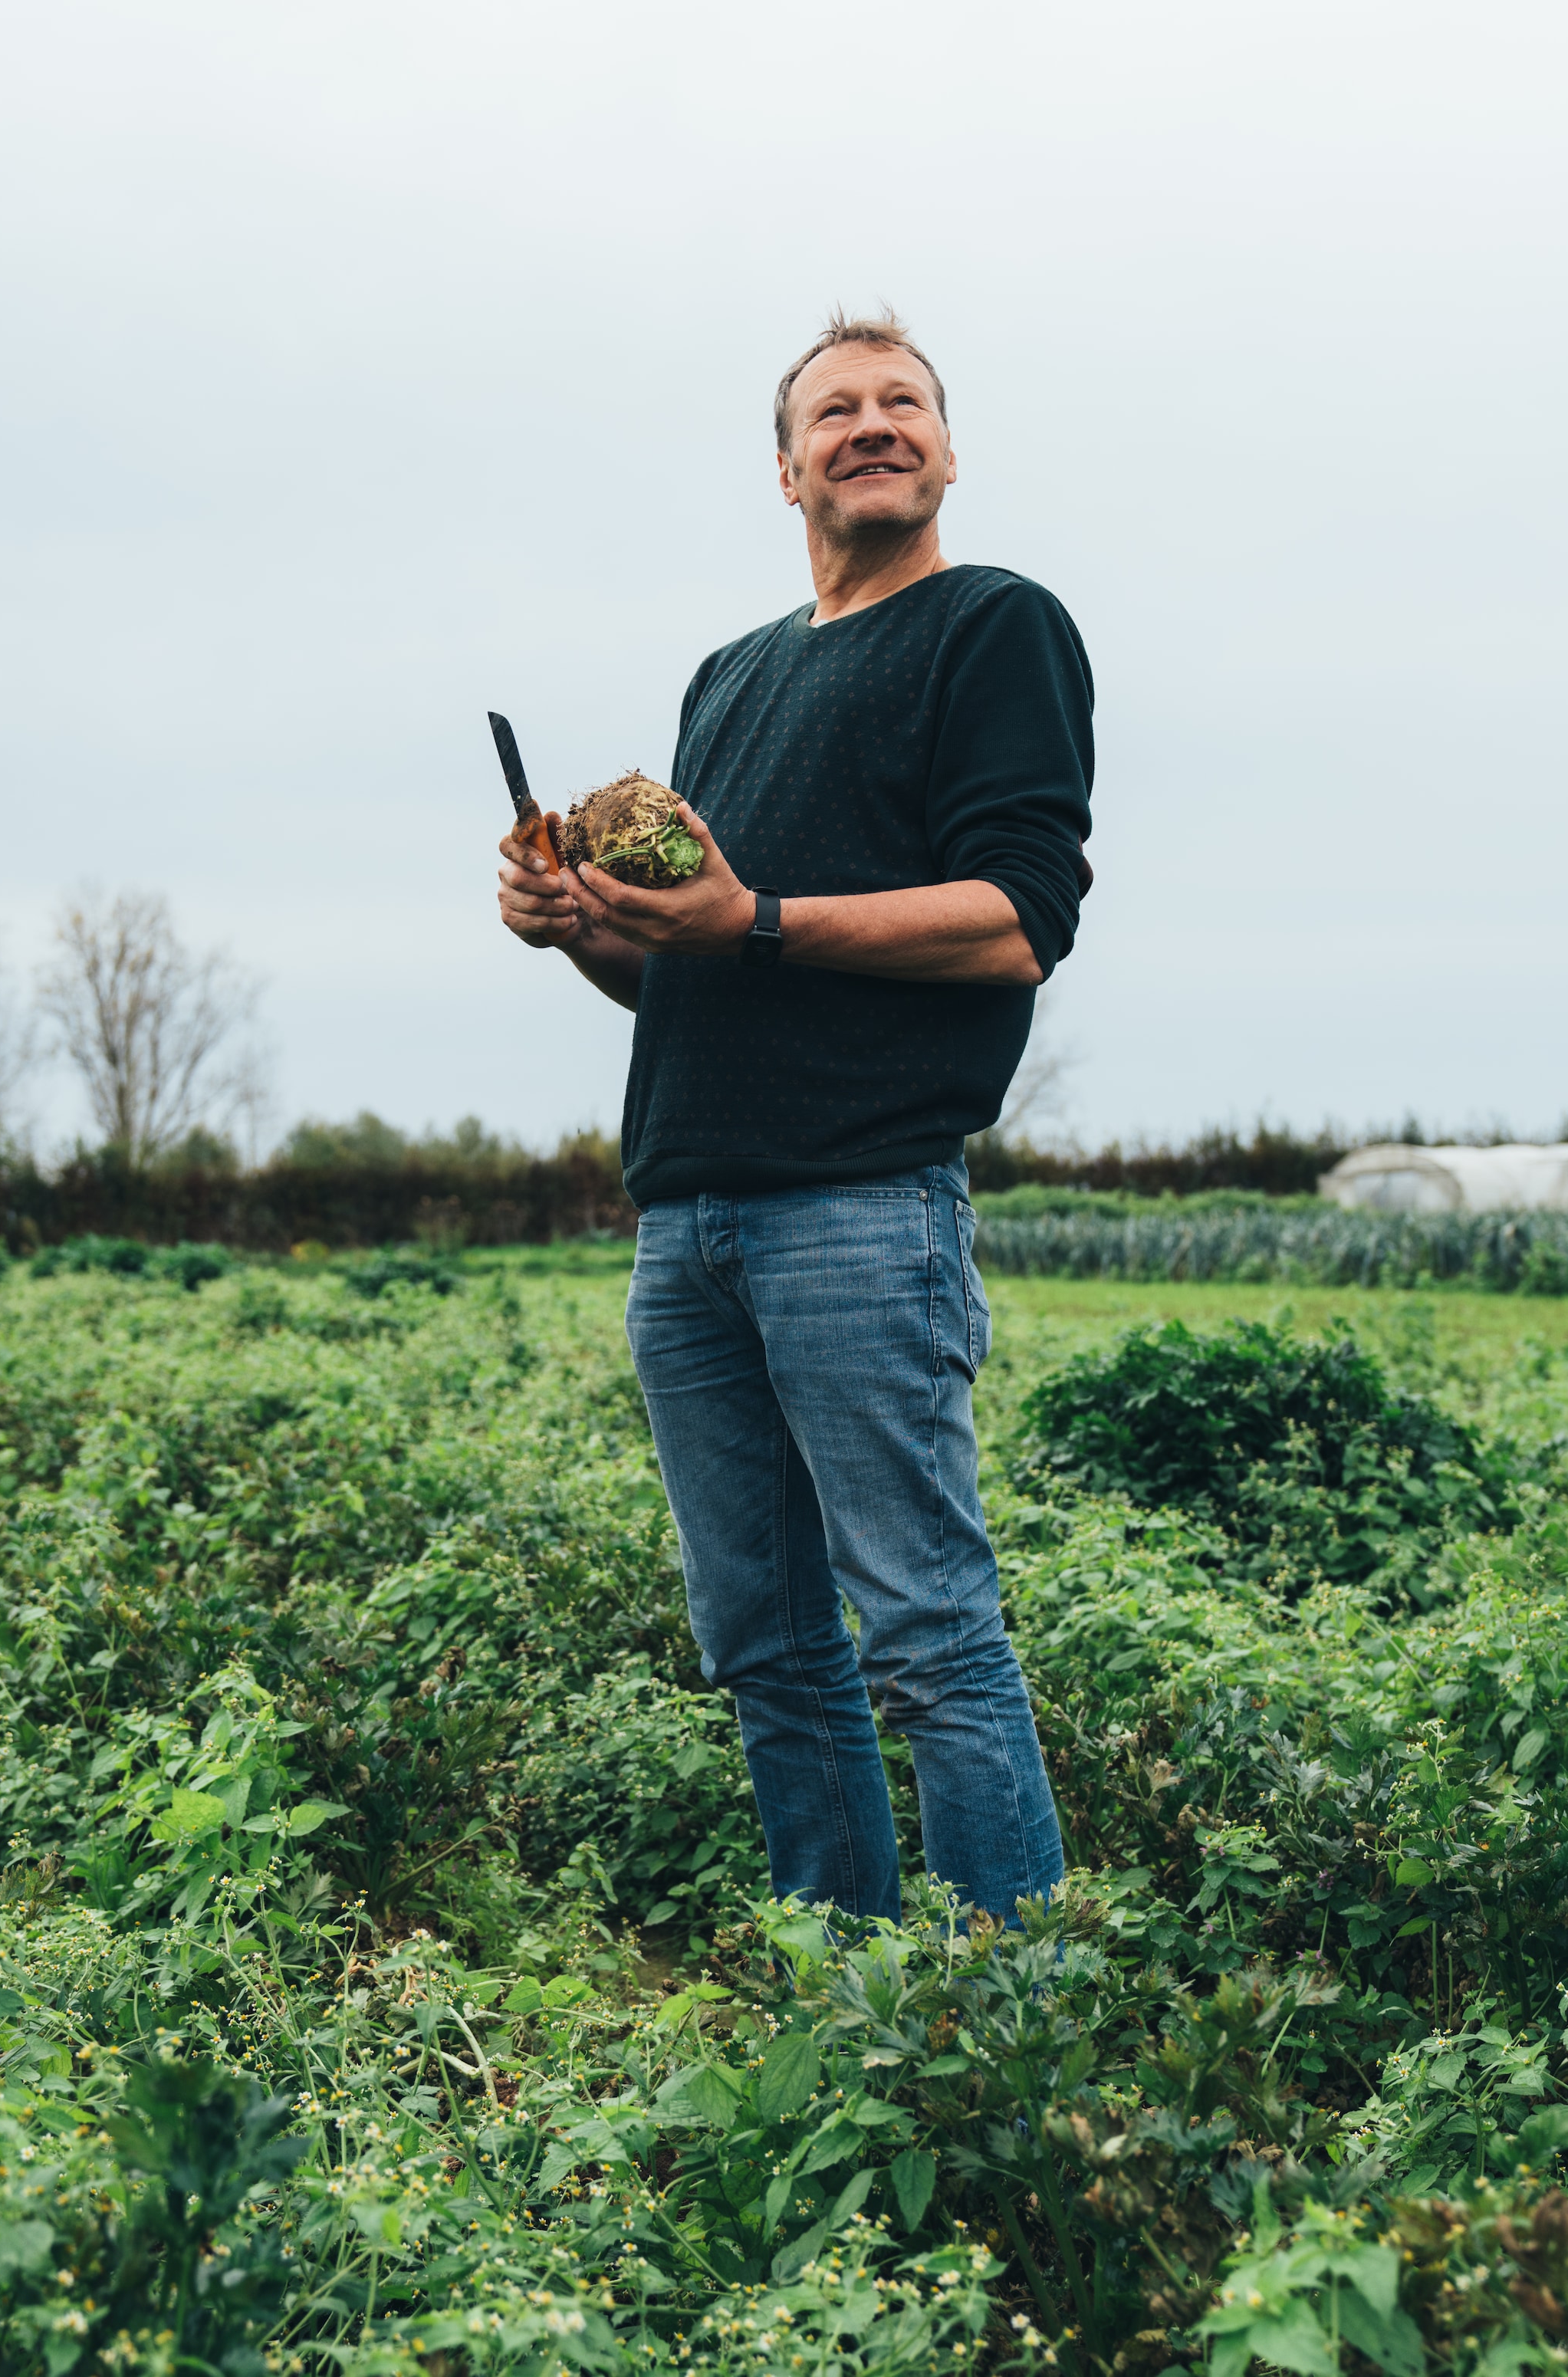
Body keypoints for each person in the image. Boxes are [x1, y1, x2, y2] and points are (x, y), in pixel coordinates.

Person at [496, 307, 1093, 1923]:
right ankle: (856, 1993)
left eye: (905, 401)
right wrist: (591, 934)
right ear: (785, 468)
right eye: (836, 409)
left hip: (860, 1207)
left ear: (948, 450)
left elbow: (1020, 917)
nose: (874, 423)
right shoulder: (731, 676)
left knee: (926, 1633)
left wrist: (749, 918)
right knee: (762, 1643)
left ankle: (1012, 2027)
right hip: (685, 1220)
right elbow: (701, 970)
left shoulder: (993, 627)